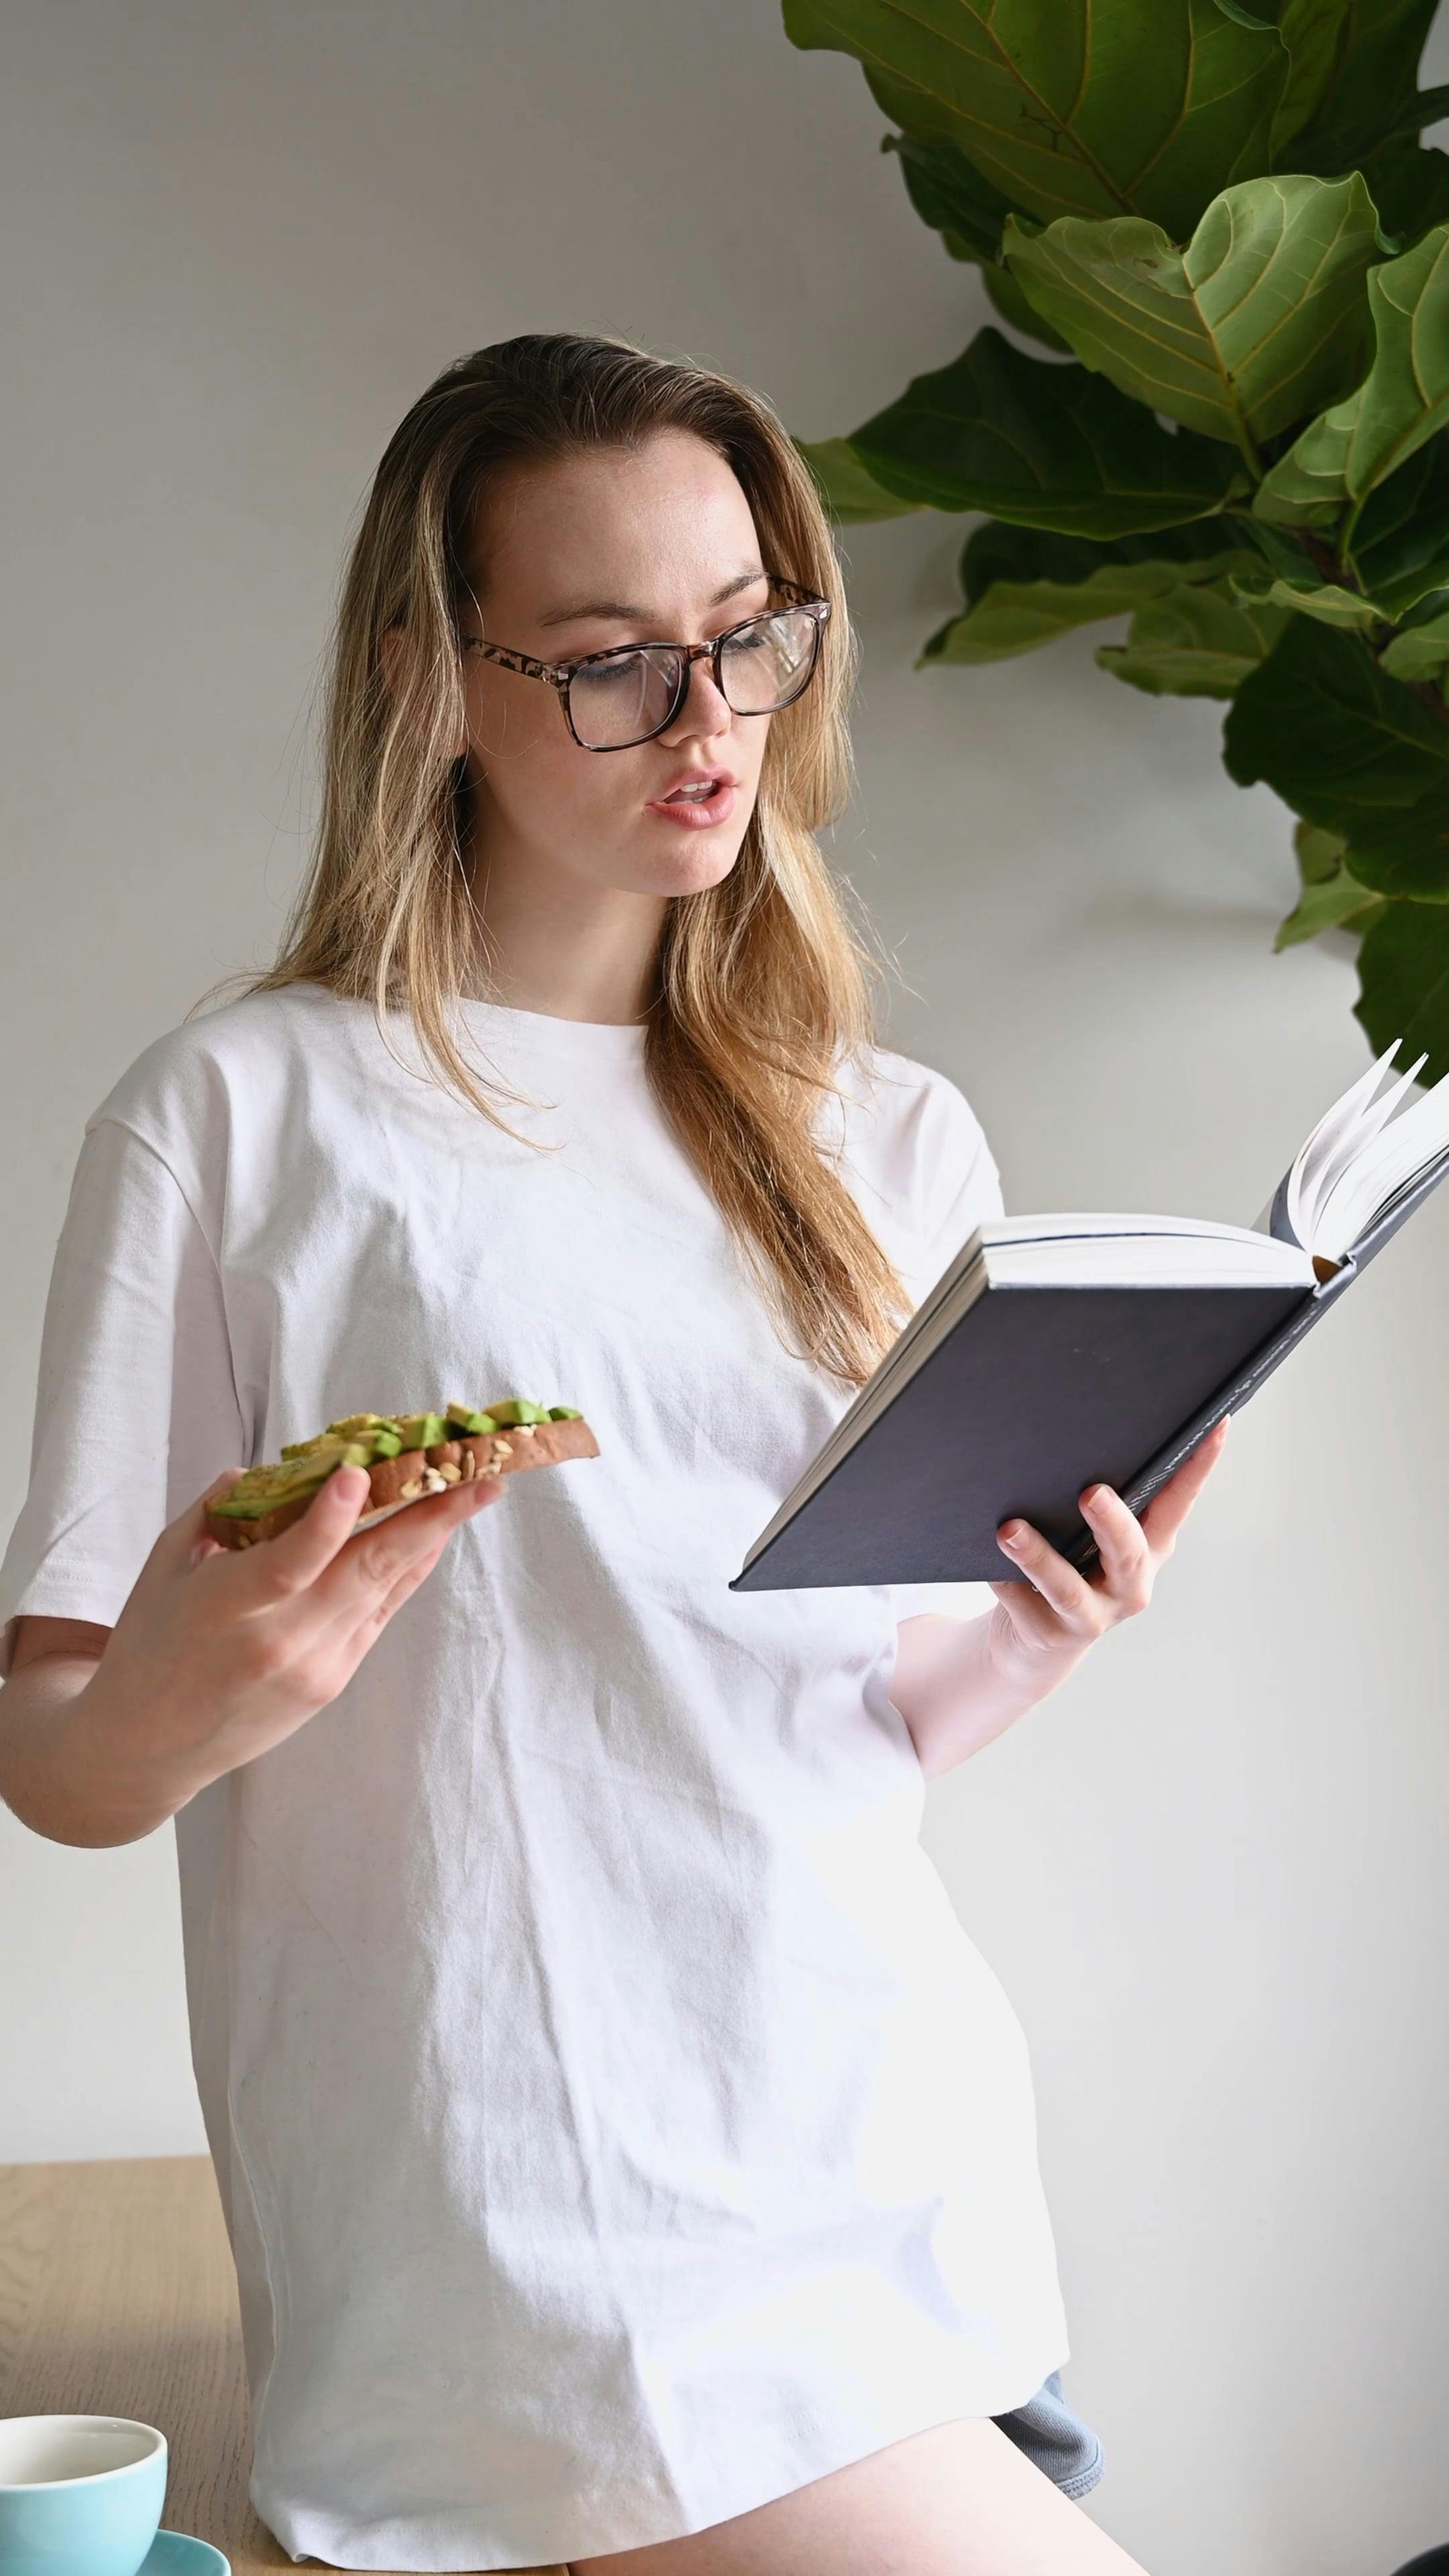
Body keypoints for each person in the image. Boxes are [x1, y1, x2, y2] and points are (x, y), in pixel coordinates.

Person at [0, 331, 1228, 2576]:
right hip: (538, 2276)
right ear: (425, 677)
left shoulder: (892, 1135)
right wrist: (212, 1688)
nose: (708, 721)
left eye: (750, 634)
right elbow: (60, 1759)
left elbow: (815, 1734)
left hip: (899, 2190)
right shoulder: (246, 1118)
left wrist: (1041, 1628)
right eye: (608, 662)